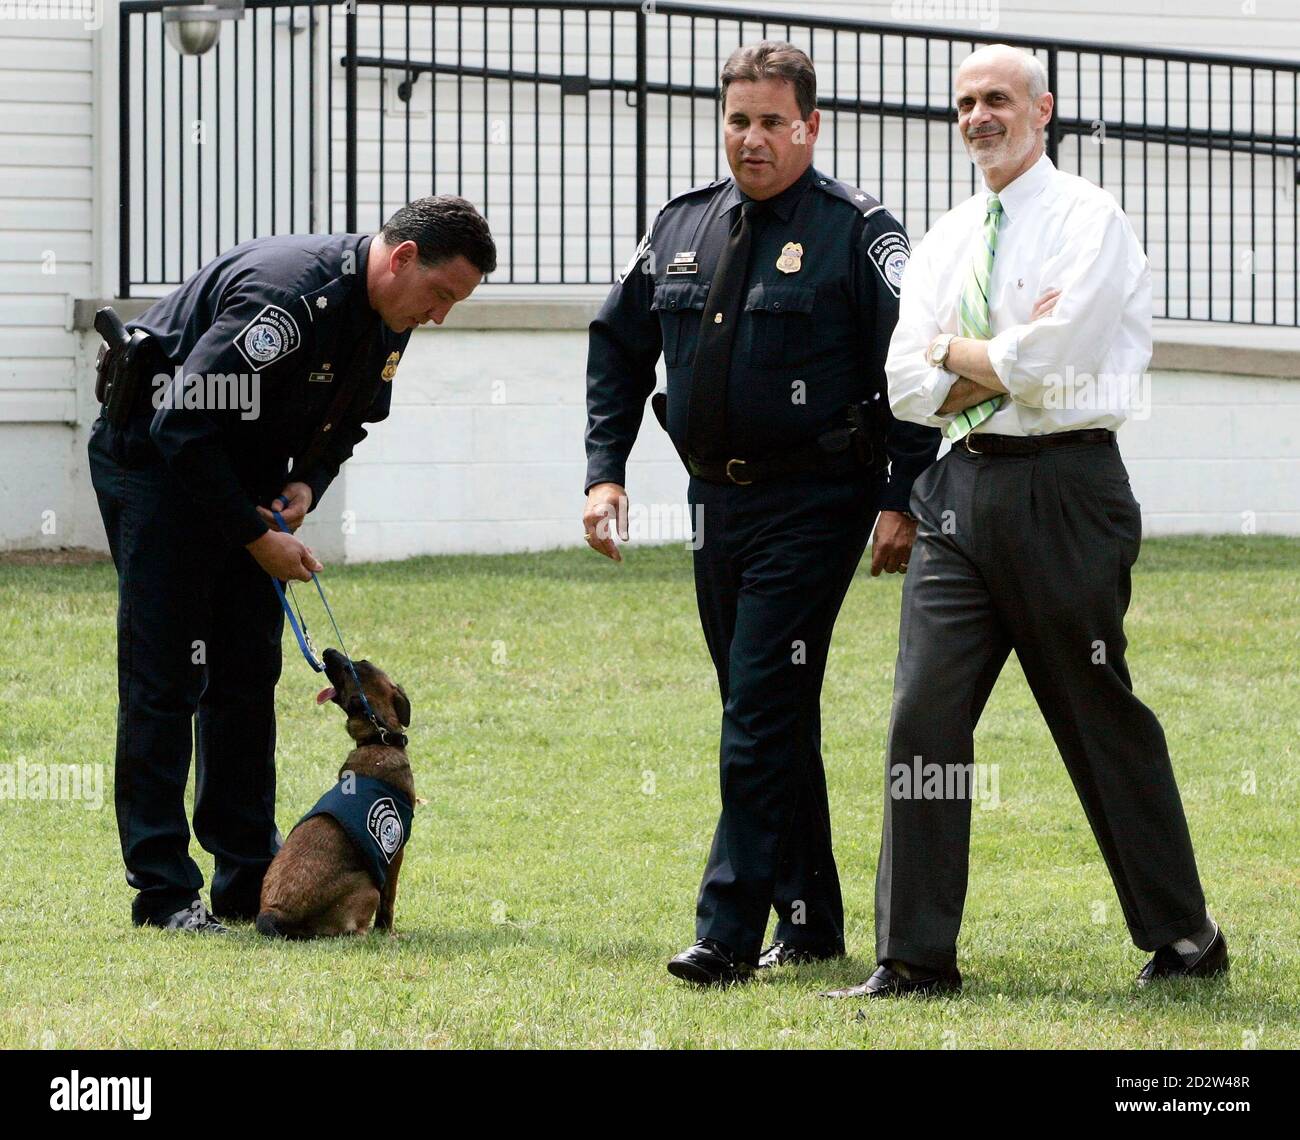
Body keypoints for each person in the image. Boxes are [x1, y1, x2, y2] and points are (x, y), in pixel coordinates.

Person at [822, 45, 1225, 1000]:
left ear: (1042, 109)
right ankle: (915, 957)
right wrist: (997, 355)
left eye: (997, 99)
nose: (979, 117)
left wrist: (965, 353)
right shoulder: (948, 235)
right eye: (964, 103)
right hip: (958, 494)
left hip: (1066, 489)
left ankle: (1184, 937)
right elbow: (904, 384)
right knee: (924, 717)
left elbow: (1059, 361)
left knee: (1095, 713)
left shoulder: (1092, 220)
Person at [582, 41, 939, 986]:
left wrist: (901, 497)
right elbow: (617, 346)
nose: (752, 138)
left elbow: (909, 371)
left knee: (757, 712)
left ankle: (727, 931)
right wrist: (603, 472)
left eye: (773, 121)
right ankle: (813, 917)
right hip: (714, 503)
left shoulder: (856, 231)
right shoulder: (680, 225)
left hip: (816, 502)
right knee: (765, 708)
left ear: (810, 127)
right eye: (738, 119)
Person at [89, 196, 496, 931]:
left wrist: (307, 480)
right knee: (166, 679)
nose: (440, 316)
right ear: (402, 258)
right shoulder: (288, 299)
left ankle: (247, 877)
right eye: (440, 295)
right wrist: (254, 535)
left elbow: (352, 420)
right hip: (155, 466)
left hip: (240, 481)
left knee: (245, 677)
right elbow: (178, 421)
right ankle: (163, 893)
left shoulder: (385, 321)